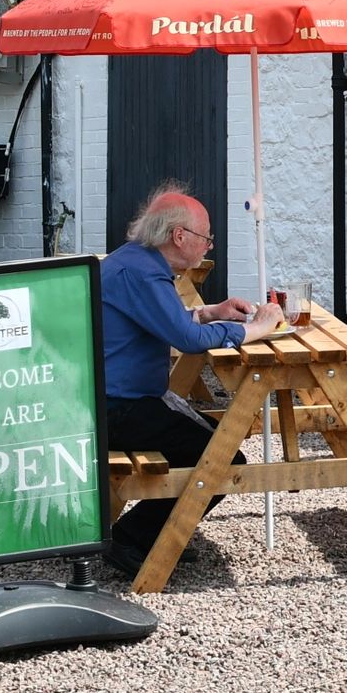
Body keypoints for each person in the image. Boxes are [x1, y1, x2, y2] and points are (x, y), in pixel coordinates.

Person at [99, 182, 285, 576]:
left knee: (212, 441)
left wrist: (212, 312)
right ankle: (132, 539)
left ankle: (157, 533)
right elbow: (188, 341)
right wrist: (259, 329)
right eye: (206, 237)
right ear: (179, 236)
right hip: (116, 409)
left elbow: (167, 322)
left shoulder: (134, 262)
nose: (208, 246)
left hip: (114, 400)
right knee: (222, 459)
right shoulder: (144, 274)